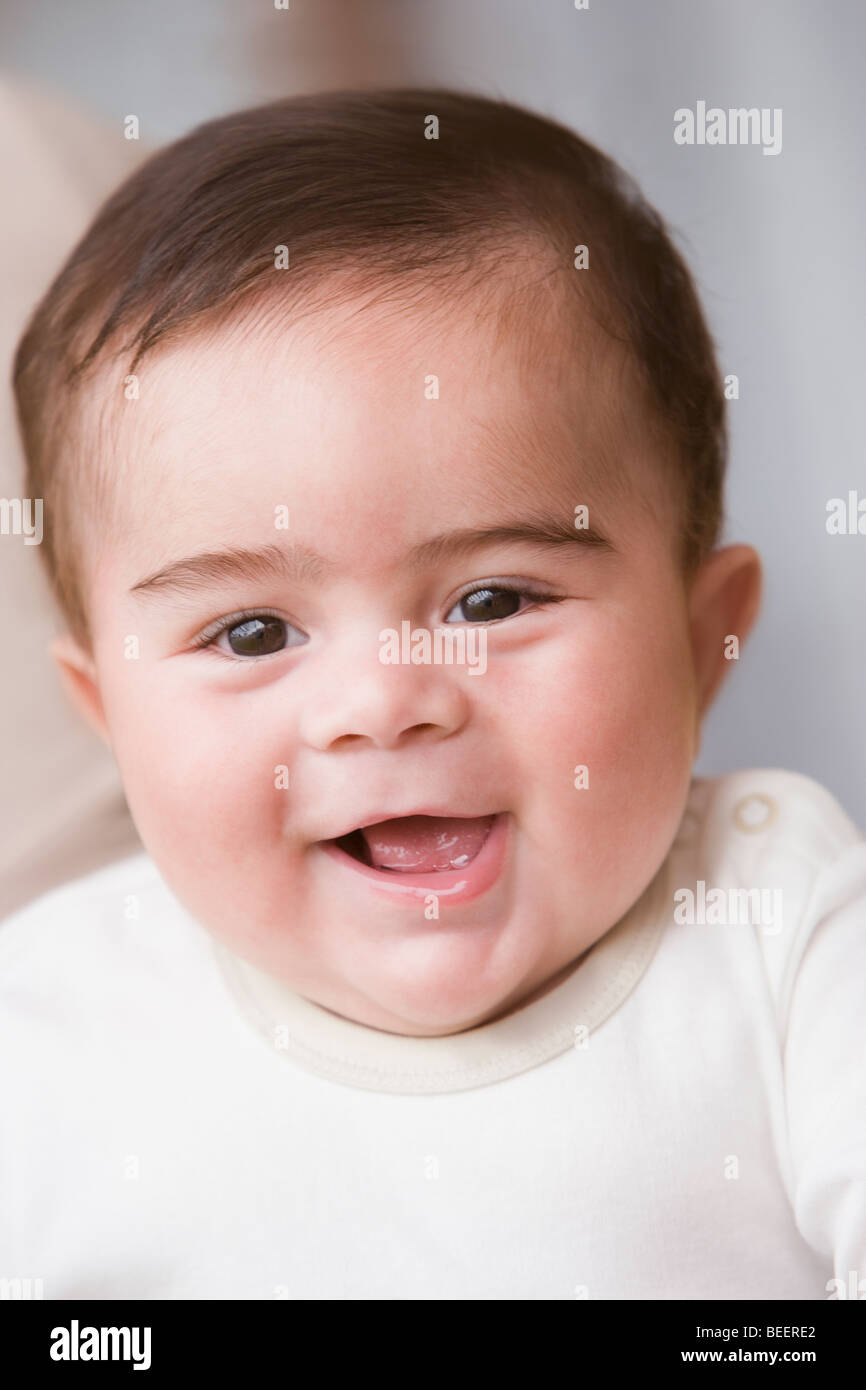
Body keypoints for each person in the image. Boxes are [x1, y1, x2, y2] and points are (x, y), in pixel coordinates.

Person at [3, 88, 863, 1300]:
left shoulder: (781, 928)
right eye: (250, 631)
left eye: (493, 601)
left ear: (703, 639)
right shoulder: (45, 1026)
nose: (382, 704)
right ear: (107, 718)